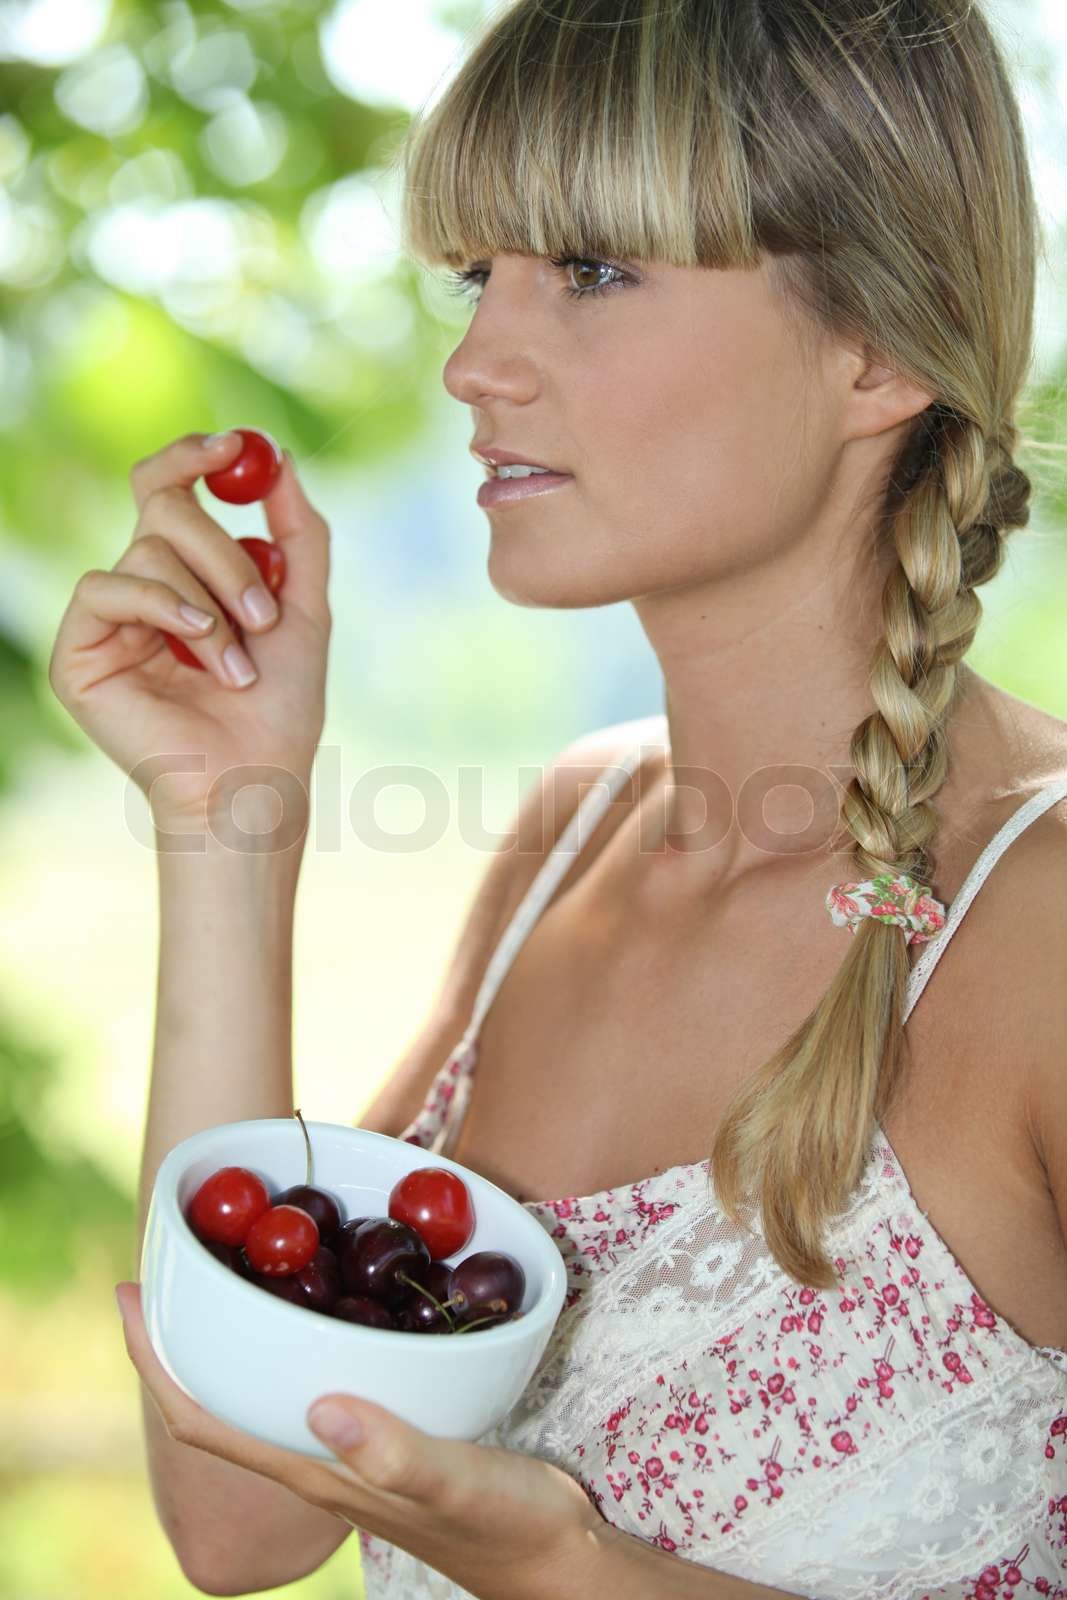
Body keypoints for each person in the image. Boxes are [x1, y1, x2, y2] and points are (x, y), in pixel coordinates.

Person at [50, 0, 1067, 1596]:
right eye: (479, 275)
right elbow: (242, 1518)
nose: (474, 364)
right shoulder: (570, 842)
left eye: (592, 272)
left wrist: (575, 1573)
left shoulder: (1045, 928)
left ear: (876, 348)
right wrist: (228, 820)